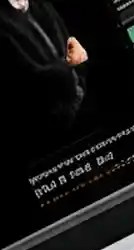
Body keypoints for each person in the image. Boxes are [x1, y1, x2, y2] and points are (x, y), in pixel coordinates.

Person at [0, 0, 88, 166]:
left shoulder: (40, 4)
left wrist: (78, 80)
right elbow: (26, 80)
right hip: (44, 131)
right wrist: (67, 70)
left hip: (80, 107)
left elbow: (75, 48)